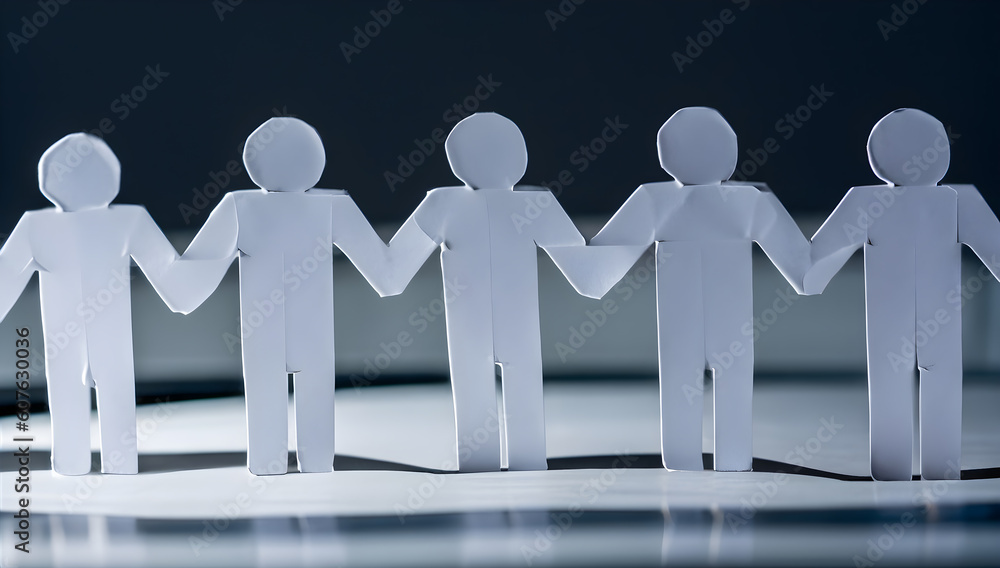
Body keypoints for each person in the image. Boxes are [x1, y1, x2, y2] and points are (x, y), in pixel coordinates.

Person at [391, 112, 645, 472]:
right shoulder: (533, 205)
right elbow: (590, 276)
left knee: (478, 402)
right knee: (517, 403)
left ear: (456, 161)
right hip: (514, 328)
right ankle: (515, 461)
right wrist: (641, 222)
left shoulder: (443, 205)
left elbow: (391, 273)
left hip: (470, 329)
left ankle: (484, 464)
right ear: (520, 159)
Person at [179, 117, 433, 475]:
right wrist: (431, 220)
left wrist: (161, 269)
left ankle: (277, 463)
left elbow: (190, 285)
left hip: (265, 331)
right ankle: (303, 463)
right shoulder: (328, 207)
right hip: (306, 334)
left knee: (272, 434)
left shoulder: (240, 207)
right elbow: (387, 272)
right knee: (309, 440)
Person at [589, 107, 812, 472]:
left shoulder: (655, 200)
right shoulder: (748, 201)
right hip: (727, 323)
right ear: (731, 155)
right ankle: (729, 460)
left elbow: (599, 269)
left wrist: (557, 241)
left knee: (683, 384)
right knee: (729, 383)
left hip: (683, 323)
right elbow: (802, 268)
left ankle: (690, 460)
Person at [0, 133, 218, 475]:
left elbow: (5, 277)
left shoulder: (36, 226)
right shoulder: (126, 220)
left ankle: (79, 464)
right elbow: (173, 277)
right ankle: (109, 463)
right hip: (98, 333)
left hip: (69, 334)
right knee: (99, 398)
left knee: (73, 398)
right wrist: (217, 250)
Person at [806, 108, 1000, 481]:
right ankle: (934, 469)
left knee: (889, 386)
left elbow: (813, 268)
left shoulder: (864, 201)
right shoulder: (959, 200)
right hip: (938, 321)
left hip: (888, 323)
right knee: (934, 384)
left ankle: (896, 469)